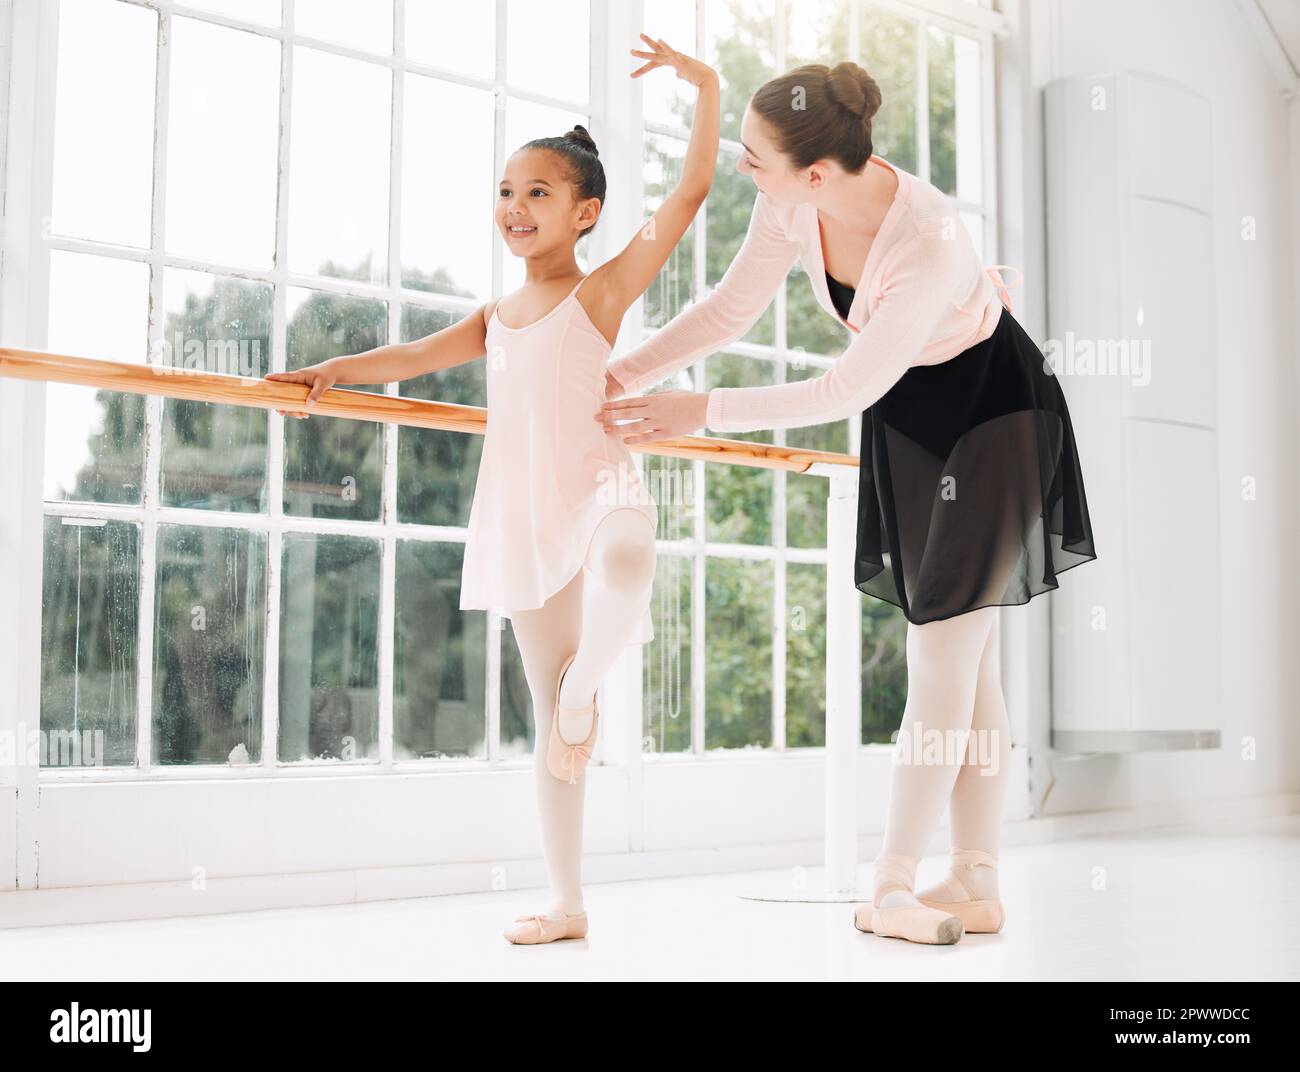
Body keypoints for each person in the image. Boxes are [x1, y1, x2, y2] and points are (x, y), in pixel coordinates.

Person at [598, 61, 1097, 945]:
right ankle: (975, 879)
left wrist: (698, 411)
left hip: (994, 412)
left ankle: (894, 882)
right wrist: (625, 377)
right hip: (914, 414)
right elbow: (728, 312)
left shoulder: (930, 240)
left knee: (944, 650)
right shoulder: (790, 199)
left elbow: (841, 388)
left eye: (753, 159)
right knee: (968, 659)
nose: (741, 169)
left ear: (817, 173)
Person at [266, 35, 721, 946]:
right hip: (521, 512)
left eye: (539, 194)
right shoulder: (494, 314)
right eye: (507, 193)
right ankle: (567, 901)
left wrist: (704, 85)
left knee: (630, 566)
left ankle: (585, 691)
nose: (516, 208)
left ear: (585, 213)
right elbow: (410, 356)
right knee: (547, 727)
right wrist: (333, 371)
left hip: (599, 485)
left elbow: (688, 198)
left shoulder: (598, 295)